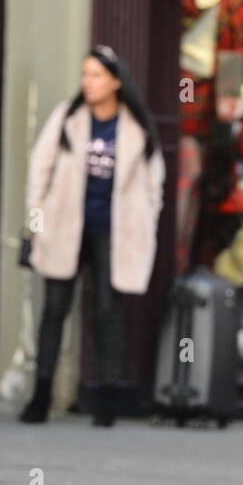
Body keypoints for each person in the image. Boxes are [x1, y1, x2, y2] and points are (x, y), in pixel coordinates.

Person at [19, 45, 165, 427]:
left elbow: (154, 183)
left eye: (97, 75)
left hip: (112, 232)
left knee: (108, 312)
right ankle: (41, 395)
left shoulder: (135, 127)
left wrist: (145, 220)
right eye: (85, 74)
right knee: (54, 310)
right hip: (64, 226)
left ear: (116, 82)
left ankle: (107, 399)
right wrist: (35, 226)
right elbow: (40, 171)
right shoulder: (68, 118)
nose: (88, 82)